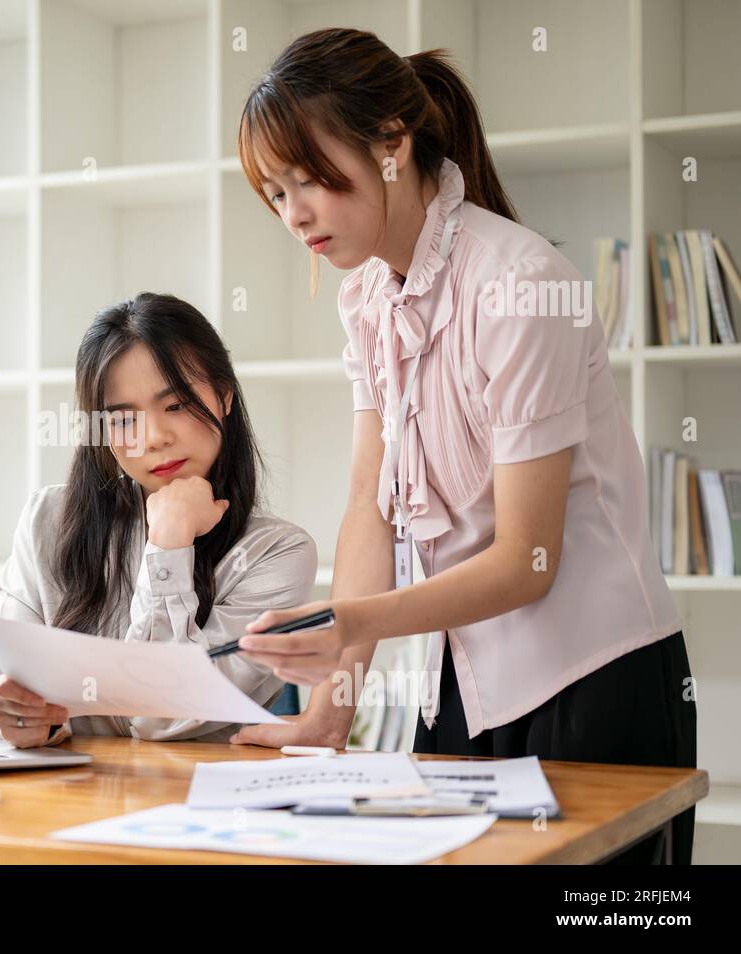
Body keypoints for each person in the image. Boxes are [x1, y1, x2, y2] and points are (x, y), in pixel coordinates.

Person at [228, 29, 695, 864]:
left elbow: (530, 558)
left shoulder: (522, 283)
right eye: (273, 191)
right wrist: (333, 705)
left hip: (594, 682)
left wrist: (349, 622)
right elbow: (369, 509)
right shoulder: (368, 298)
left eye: (307, 178)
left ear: (392, 145)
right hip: (460, 685)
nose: (292, 213)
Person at [0, 292, 317, 747]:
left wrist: (170, 543)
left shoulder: (278, 554)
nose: (153, 438)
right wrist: (21, 719)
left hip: (199, 804)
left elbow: (158, 716)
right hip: (63, 800)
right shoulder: (47, 522)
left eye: (175, 405)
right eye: (124, 419)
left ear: (225, 396)